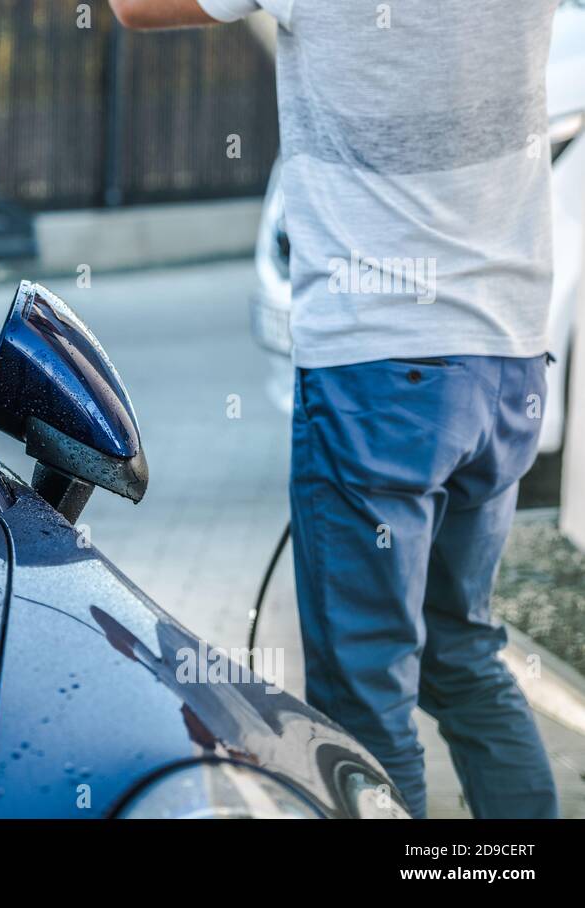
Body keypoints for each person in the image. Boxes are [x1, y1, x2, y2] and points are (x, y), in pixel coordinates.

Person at [109, 0, 561, 818]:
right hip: (508, 361)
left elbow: (134, 8)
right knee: (465, 653)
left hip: (379, 373)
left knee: (365, 704)